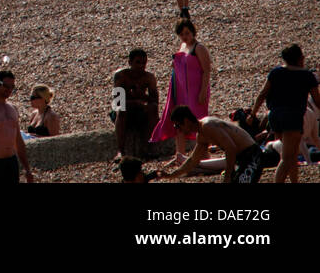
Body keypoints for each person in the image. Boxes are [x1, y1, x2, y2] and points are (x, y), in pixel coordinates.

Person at [250, 44, 320, 183]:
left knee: (292, 153)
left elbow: (262, 94)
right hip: (292, 117)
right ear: (301, 58)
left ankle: (295, 181)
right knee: (287, 158)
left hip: (275, 117)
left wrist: (252, 114)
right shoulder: (306, 75)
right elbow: (317, 101)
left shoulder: (276, 72)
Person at [151, 18, 211, 165]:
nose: (185, 36)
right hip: (182, 90)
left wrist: (203, 91)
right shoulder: (183, 46)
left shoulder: (199, 48)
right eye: (182, 34)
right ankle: (180, 155)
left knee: (198, 121)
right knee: (179, 122)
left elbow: (207, 70)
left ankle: (204, 155)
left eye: (187, 33)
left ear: (193, 32)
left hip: (196, 90)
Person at [157, 109, 266, 183]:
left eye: (177, 125)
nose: (178, 130)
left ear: (186, 121)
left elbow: (231, 148)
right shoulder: (201, 135)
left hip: (252, 155)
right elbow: (192, 161)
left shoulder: (207, 126)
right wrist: (170, 175)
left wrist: (228, 175)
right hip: (241, 159)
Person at [112, 49, 160, 160]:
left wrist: (143, 96)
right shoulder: (121, 76)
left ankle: (149, 148)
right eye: (138, 62)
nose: (141, 66)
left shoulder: (148, 78)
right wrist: (134, 101)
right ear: (130, 63)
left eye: (144, 63)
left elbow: (155, 101)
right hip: (124, 112)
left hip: (140, 111)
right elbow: (117, 101)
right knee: (121, 109)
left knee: (153, 108)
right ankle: (121, 151)